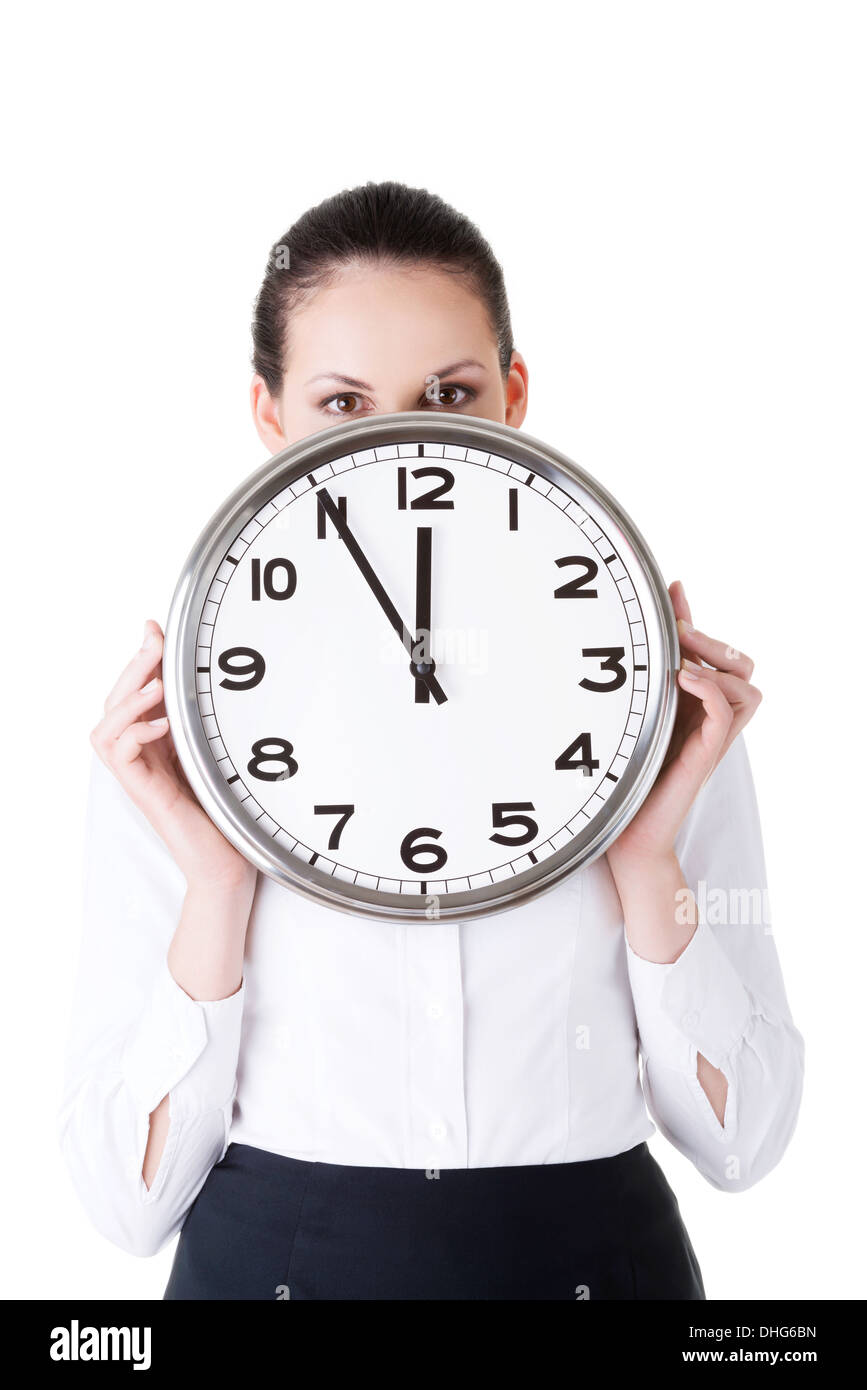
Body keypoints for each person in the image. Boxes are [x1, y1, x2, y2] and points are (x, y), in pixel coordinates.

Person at [59, 181, 804, 1300]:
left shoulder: (642, 692)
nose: (403, 440)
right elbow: (128, 1202)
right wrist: (218, 880)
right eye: (345, 404)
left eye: (446, 393)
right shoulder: (187, 728)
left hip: (593, 1270)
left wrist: (647, 862)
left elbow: (743, 1148)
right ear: (270, 417)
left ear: (511, 397)